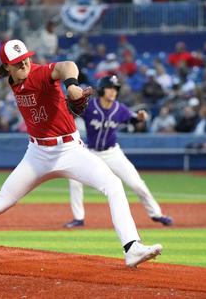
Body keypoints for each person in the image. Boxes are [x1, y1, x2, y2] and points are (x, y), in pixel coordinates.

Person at [0, 40, 163, 268]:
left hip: (70, 150)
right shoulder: (12, 77)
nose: (24, 63)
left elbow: (67, 65)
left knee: (113, 184)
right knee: (0, 203)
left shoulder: (41, 72)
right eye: (18, 62)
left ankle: (132, 247)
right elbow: (2, 71)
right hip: (37, 154)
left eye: (26, 58)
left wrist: (72, 86)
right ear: (8, 67)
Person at [63, 75, 173, 229]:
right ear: (102, 89)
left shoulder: (119, 108)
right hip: (91, 152)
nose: (113, 91)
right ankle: (78, 218)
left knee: (137, 184)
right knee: (75, 181)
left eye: (116, 88)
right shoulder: (90, 106)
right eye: (110, 87)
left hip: (112, 153)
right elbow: (71, 112)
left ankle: (156, 214)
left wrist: (141, 117)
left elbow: (134, 119)